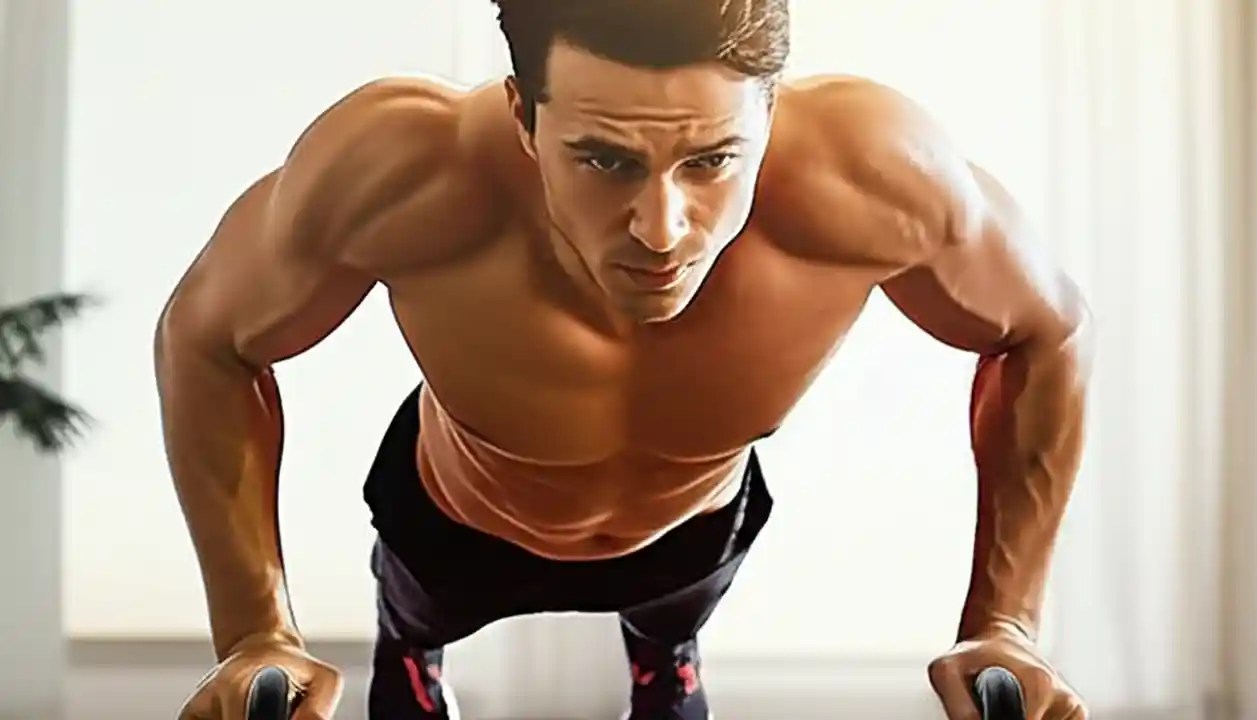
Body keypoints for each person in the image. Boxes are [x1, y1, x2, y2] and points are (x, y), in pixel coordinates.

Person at [156, 1, 1093, 718]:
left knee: (672, 632)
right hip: (455, 523)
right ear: (524, 115)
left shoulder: (879, 178)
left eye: (714, 161)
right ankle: (413, 645)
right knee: (412, 636)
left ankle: (665, 649)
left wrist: (1004, 622)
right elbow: (207, 337)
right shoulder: (403, 172)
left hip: (692, 534)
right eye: (604, 161)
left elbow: (1048, 330)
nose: (661, 229)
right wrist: (254, 629)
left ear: (771, 111)